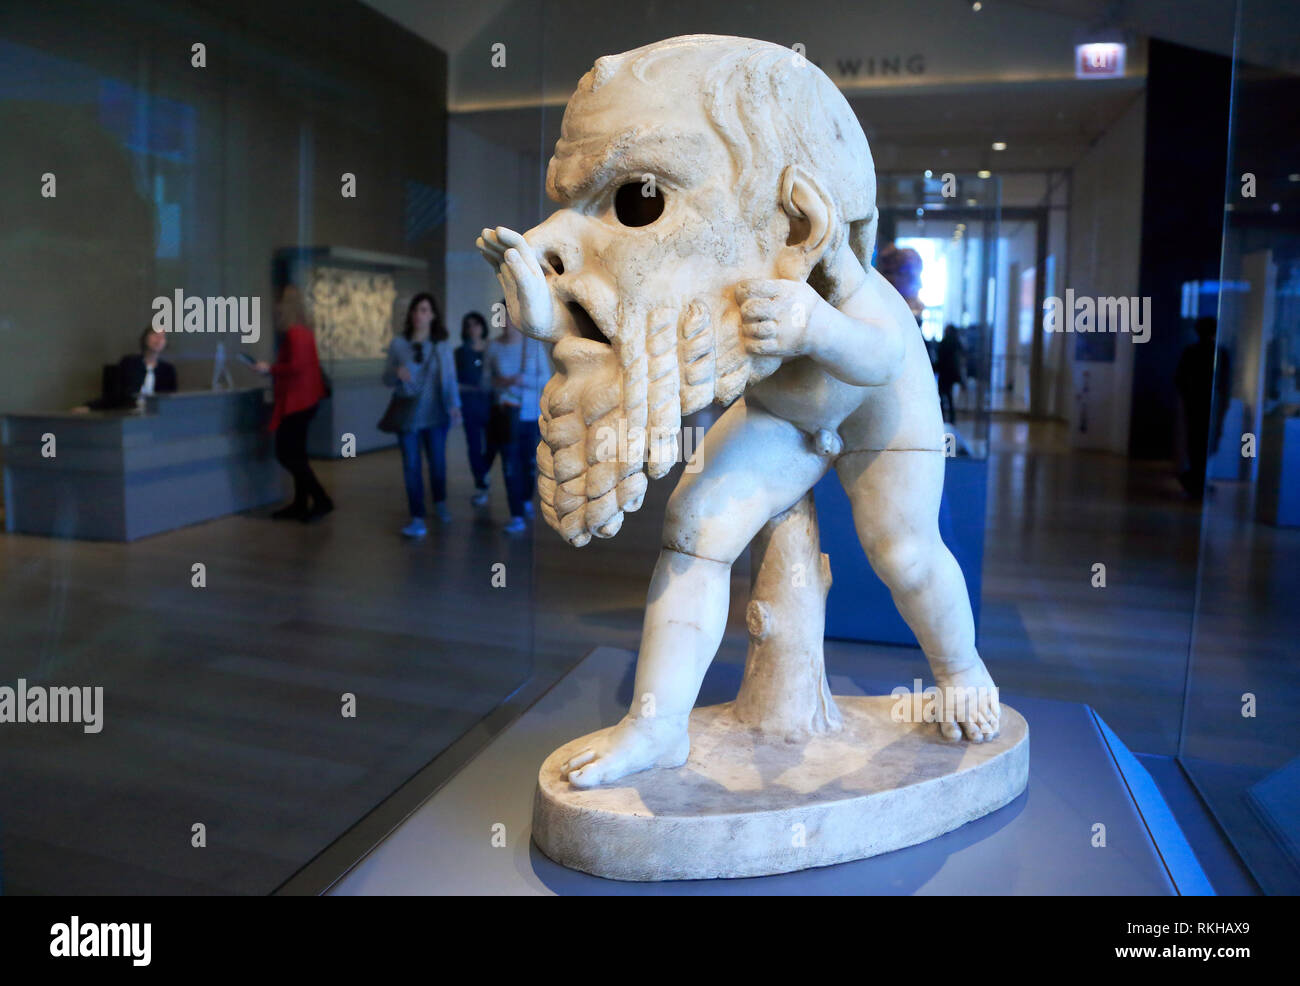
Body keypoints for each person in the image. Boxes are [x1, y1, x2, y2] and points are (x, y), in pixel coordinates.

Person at [383, 292, 461, 538]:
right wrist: (397, 371)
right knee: (411, 466)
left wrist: (454, 406)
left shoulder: (441, 345)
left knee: (437, 463)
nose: (419, 315)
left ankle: (439, 501)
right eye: (416, 310)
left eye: (425, 310)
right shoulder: (398, 344)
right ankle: (417, 517)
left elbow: (449, 379)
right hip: (407, 414)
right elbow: (385, 378)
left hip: (436, 414)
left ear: (433, 315)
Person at [253, 285, 332, 522]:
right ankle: (301, 503)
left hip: (297, 402)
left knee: (287, 454)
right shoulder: (305, 332)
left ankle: (321, 499)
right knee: (297, 454)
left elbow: (295, 367)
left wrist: (269, 369)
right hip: (307, 401)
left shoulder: (294, 333)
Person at [486, 308, 549, 534]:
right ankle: (516, 514)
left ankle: (524, 500)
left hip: (529, 415)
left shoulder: (532, 346)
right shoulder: (493, 347)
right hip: (505, 414)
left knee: (528, 464)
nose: (506, 323)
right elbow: (485, 380)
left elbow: (545, 380)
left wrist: (522, 380)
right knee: (509, 463)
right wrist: (499, 382)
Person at [1175, 315, 1230, 499]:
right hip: (1210, 405)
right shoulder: (1220, 353)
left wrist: (1188, 397)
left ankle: (1195, 480)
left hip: (1195, 404)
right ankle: (1197, 480)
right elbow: (1224, 385)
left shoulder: (1191, 351)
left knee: (1195, 443)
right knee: (1206, 444)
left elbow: (1180, 380)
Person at [455, 311, 494, 507]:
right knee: (474, 446)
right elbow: (454, 382)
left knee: (493, 444)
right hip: (470, 404)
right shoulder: (460, 353)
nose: (472, 329)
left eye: (476, 324)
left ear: (482, 326)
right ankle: (481, 484)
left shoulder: (492, 348)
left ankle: (484, 471)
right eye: (468, 325)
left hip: (492, 404)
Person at [935, 324, 966, 424]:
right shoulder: (956, 342)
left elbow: (941, 358)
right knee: (949, 397)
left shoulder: (945, 342)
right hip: (951, 373)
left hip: (944, 373)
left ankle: (942, 418)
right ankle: (951, 419)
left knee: (942, 397)